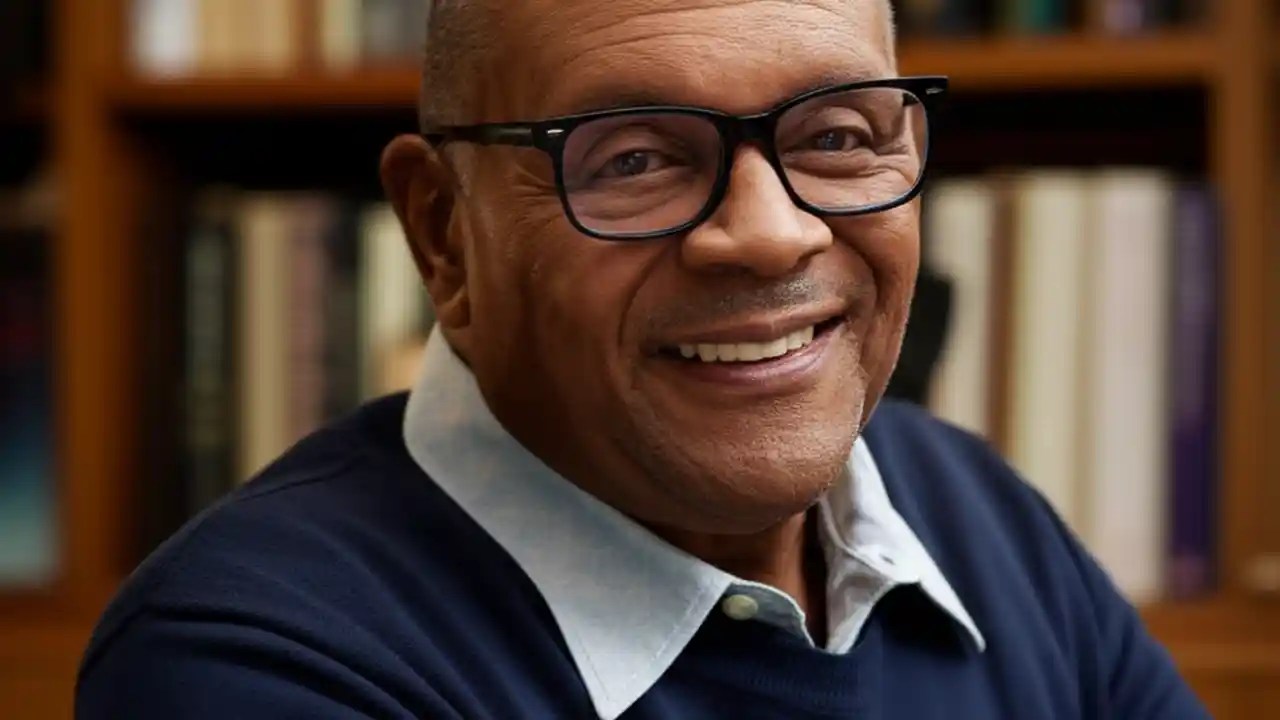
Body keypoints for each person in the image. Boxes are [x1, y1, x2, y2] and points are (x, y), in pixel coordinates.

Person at [76, 1, 1211, 718]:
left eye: (834, 137)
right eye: (629, 159)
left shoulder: (976, 518)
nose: (771, 232)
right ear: (441, 233)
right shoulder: (254, 662)